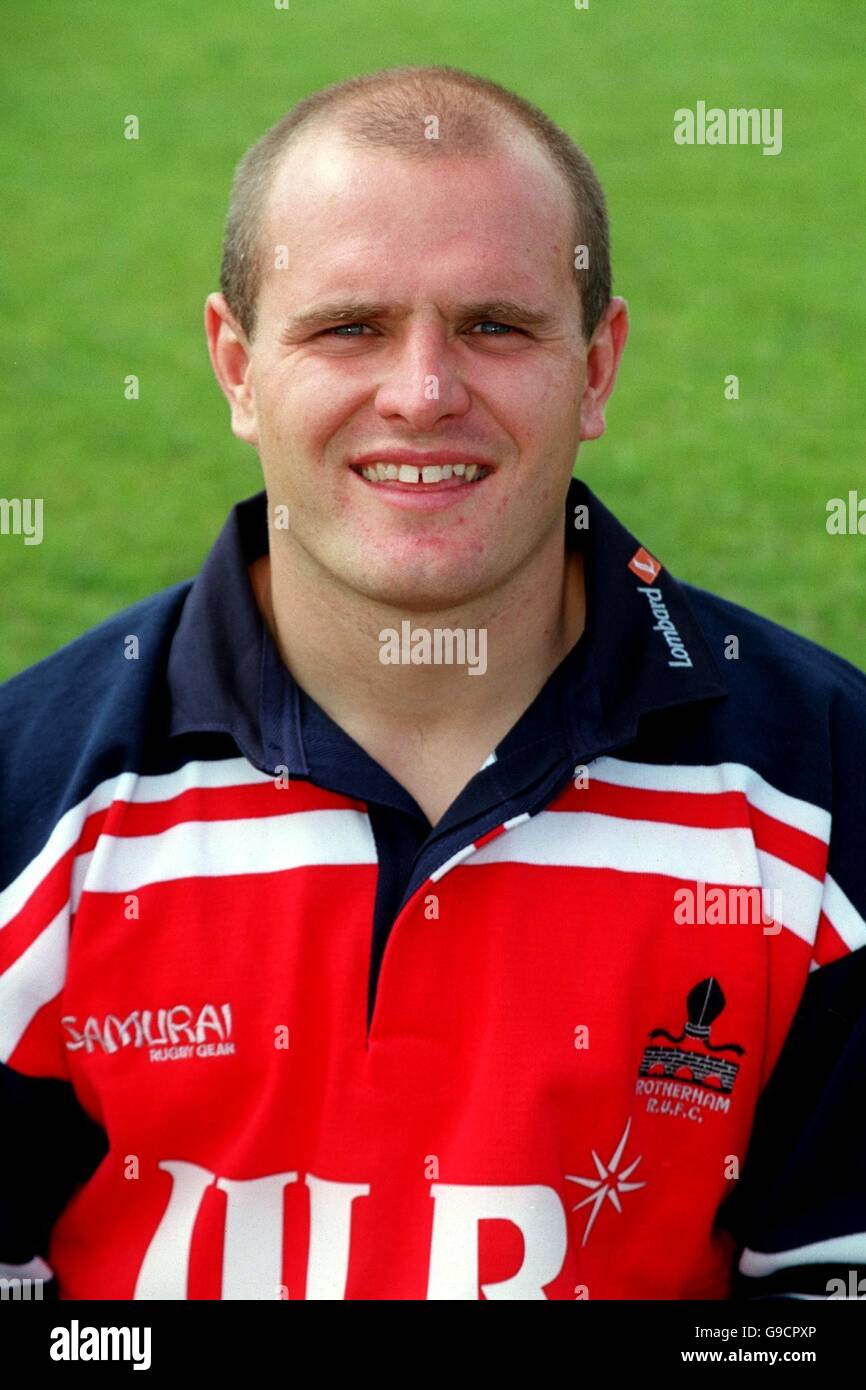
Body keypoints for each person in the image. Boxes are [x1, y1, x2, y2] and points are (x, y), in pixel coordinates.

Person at [1, 64, 864, 1302]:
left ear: (597, 365)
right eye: (349, 326)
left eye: (493, 327)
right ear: (236, 365)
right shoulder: (32, 806)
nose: (421, 394)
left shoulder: (822, 796)